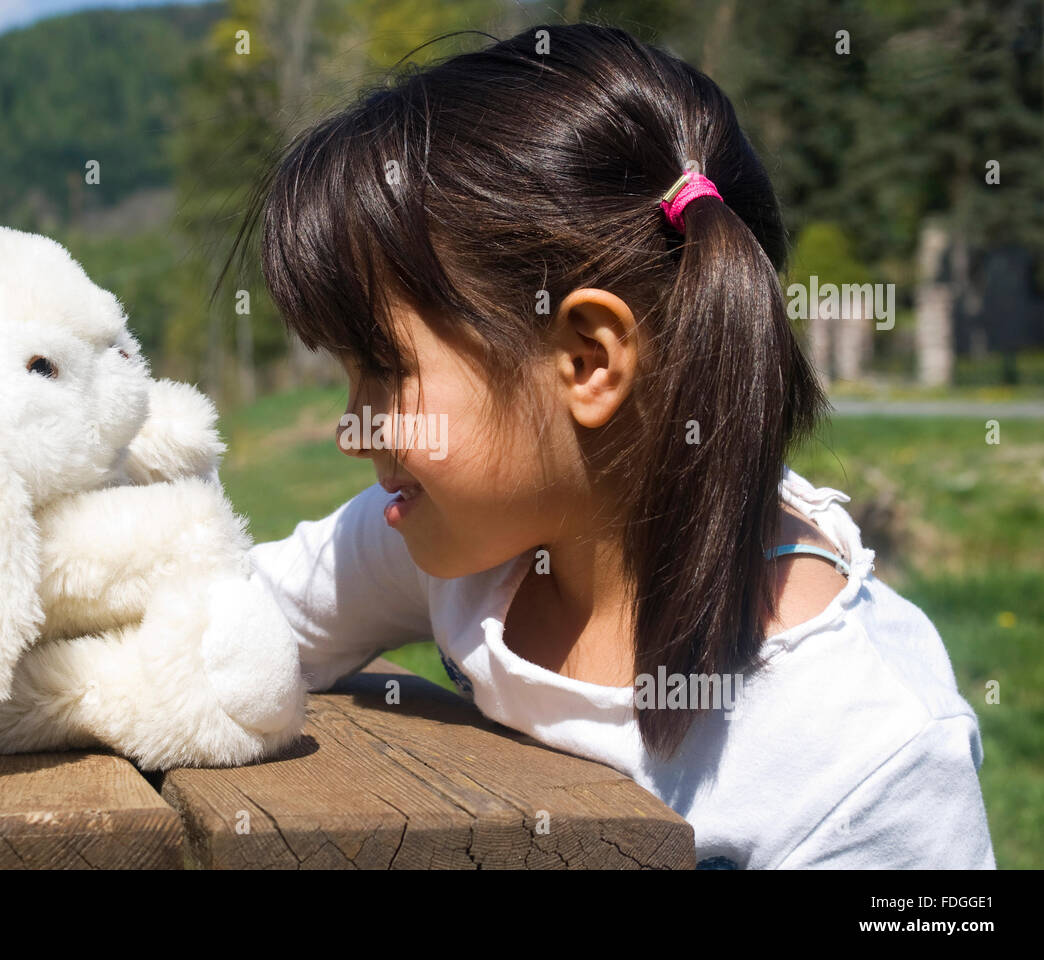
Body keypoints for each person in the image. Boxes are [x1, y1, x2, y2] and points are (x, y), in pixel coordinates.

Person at [235, 22, 995, 869]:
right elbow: (223, 624)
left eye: (381, 367)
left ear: (587, 360)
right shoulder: (461, 543)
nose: (352, 428)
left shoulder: (863, 749)